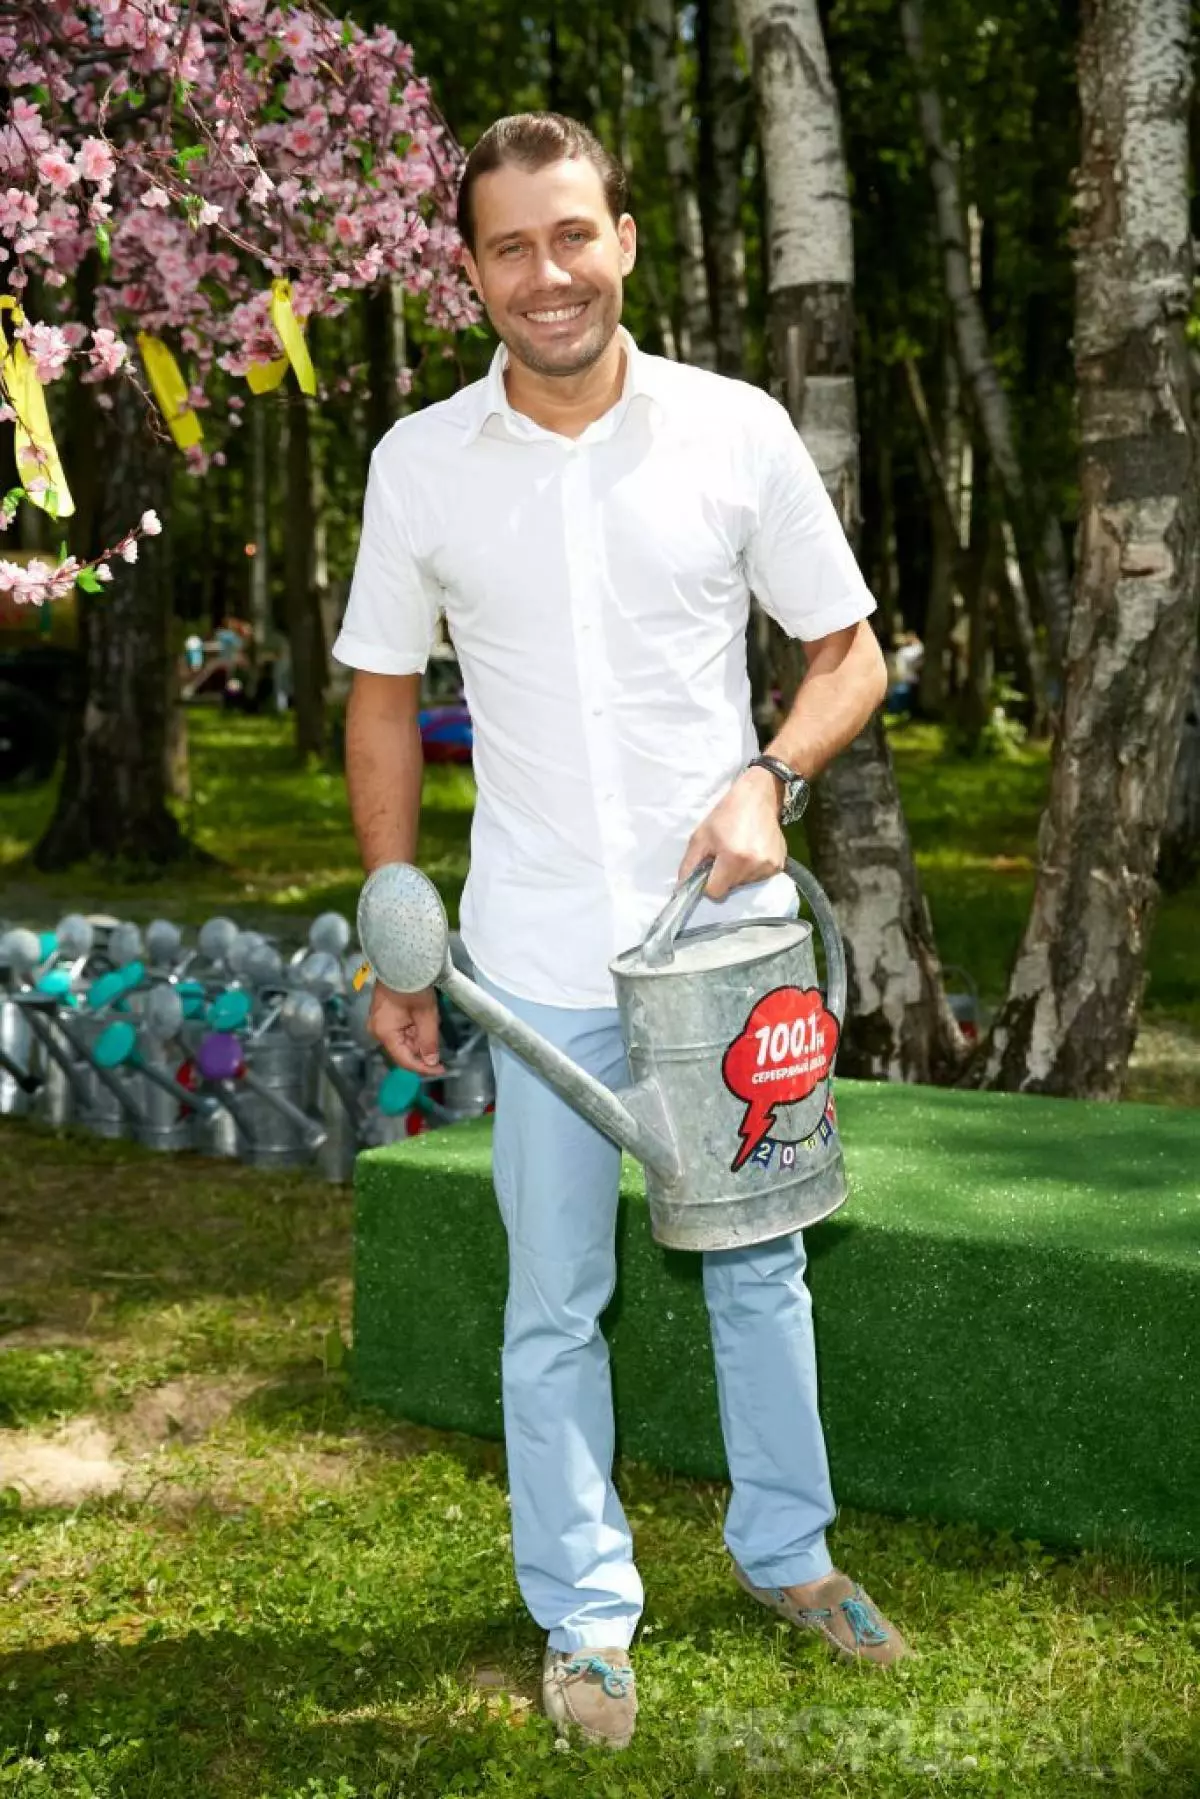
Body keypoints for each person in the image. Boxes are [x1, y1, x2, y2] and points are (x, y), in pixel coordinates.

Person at [334, 112, 912, 1755]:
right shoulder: (418, 463)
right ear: (471, 274)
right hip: (525, 967)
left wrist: (770, 774)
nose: (548, 274)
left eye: (572, 234)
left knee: (763, 1272)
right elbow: (380, 700)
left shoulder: (732, 432)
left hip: (722, 954)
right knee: (552, 1298)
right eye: (510, 247)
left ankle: (790, 1555)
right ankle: (588, 1620)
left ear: (626, 241)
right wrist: (399, 928)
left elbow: (849, 652)